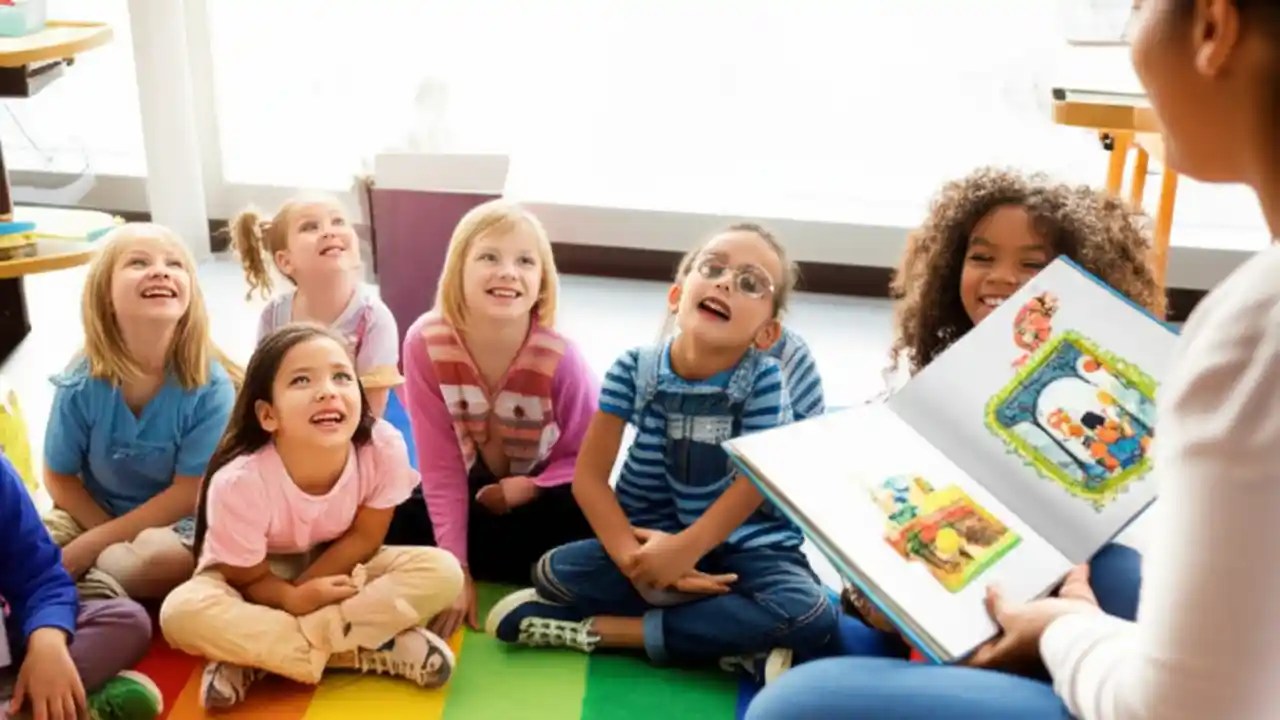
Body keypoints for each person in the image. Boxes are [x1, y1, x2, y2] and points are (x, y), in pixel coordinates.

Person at [748, 1, 1280, 717]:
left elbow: (1190, 703)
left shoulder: (1250, 331)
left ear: (1214, 25)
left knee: (792, 708)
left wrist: (1064, 634)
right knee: (1117, 579)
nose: (1127, 30)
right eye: (984, 259)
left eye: (1140, 4)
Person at [486, 223, 838, 684]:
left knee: (812, 615)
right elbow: (589, 479)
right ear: (677, 295)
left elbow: (754, 484)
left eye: (751, 283)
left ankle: (619, 633)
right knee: (554, 571)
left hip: (751, 546)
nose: (726, 281)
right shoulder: (633, 369)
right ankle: (732, 642)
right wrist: (635, 558)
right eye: (712, 268)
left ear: (767, 332)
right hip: (650, 539)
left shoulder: (765, 380)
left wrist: (684, 552)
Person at [158, 324, 464, 710]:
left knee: (443, 571)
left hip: (340, 563)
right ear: (268, 415)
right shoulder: (239, 481)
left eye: (341, 377)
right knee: (181, 613)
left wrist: (308, 593)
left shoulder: (383, 447)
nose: (327, 390)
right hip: (254, 580)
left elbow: (366, 539)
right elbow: (246, 575)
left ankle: (257, 658)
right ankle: (361, 649)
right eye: (302, 380)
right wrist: (291, 597)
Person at [383, 200, 597, 639]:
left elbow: (590, 460)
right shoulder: (425, 342)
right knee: (387, 513)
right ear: (457, 272)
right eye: (488, 257)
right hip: (467, 493)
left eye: (524, 261)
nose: (507, 272)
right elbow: (439, 468)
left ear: (542, 283)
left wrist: (528, 489)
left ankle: (536, 568)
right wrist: (454, 569)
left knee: (590, 525)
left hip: (542, 497)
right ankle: (512, 567)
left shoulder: (562, 359)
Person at [42, 223, 237, 601]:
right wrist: (100, 533)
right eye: (138, 262)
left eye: (175, 264)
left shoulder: (210, 386)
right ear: (106, 296)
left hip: (177, 524)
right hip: (91, 513)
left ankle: (79, 590)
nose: (160, 270)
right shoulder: (82, 380)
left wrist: (93, 546)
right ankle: (87, 589)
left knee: (151, 564)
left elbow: (188, 494)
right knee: (22, 546)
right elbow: (58, 476)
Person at [1, 450, 162, 720]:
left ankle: (43, 698)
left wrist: (47, 642)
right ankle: (64, 707)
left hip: (12, 640)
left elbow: (40, 577)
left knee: (126, 620)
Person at [232, 195, 401, 416]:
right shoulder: (274, 316)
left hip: (354, 430)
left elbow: (372, 410)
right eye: (310, 227)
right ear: (285, 261)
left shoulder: (373, 318)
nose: (329, 231)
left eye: (338, 221)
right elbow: (265, 389)